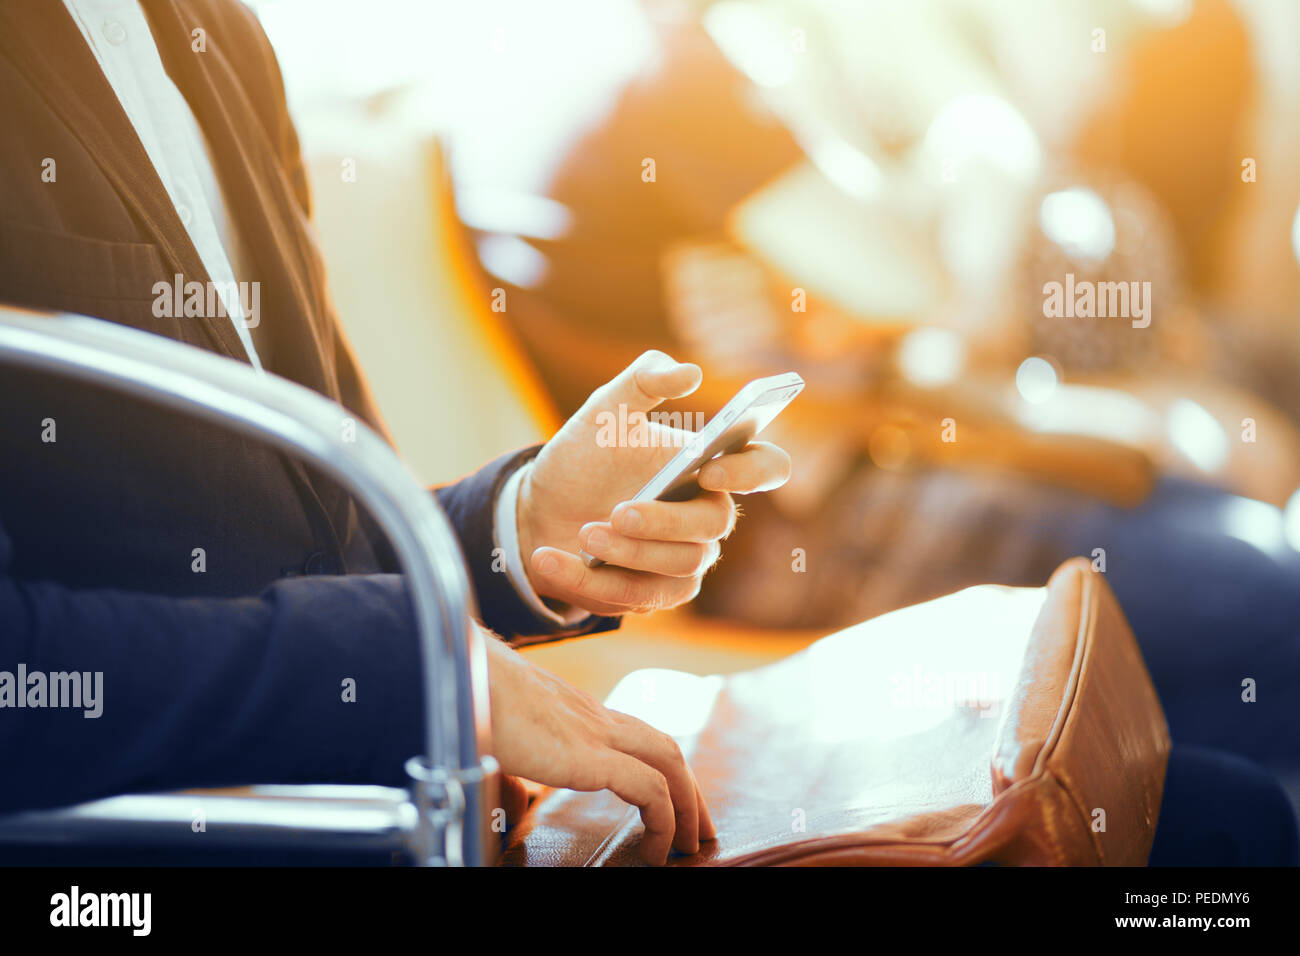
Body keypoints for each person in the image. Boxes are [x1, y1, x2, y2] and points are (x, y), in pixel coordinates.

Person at [0, 0, 1293, 867]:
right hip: (206, 830)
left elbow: (330, 530)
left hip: (399, 775)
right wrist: (405, 665)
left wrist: (521, 533)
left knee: (1216, 807)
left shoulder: (211, 36)